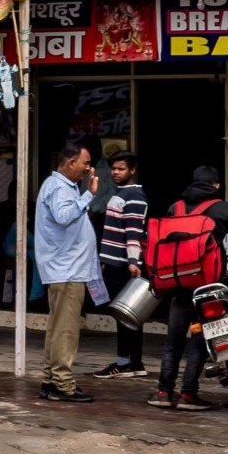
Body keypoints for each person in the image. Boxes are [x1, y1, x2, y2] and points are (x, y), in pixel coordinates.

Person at [147, 166, 228, 411]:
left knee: (173, 340)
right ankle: (188, 395)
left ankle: (164, 392)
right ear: (216, 185)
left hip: (179, 283)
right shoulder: (225, 209)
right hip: (209, 286)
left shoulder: (176, 208)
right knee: (199, 338)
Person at [34, 134, 103, 402]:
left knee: (57, 326)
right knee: (66, 329)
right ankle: (62, 384)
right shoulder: (60, 188)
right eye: (85, 164)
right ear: (71, 161)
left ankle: (52, 380)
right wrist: (90, 195)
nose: (88, 168)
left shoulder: (62, 186)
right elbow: (64, 217)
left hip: (66, 269)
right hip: (67, 270)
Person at [92, 151, 149, 378]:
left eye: (121, 168)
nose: (116, 172)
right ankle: (132, 362)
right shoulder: (121, 193)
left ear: (132, 170)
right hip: (115, 263)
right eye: (114, 168)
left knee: (126, 315)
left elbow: (133, 233)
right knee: (126, 314)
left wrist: (133, 262)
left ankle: (126, 362)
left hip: (124, 265)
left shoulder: (134, 195)